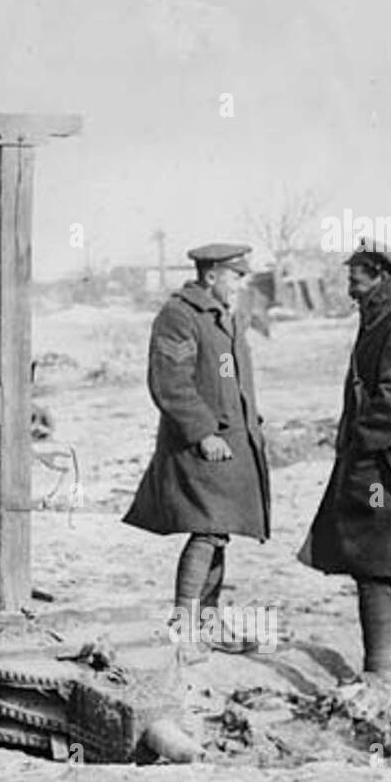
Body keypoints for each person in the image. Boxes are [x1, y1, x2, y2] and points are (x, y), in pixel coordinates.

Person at [298, 245, 391, 695]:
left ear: (382, 277)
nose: (350, 285)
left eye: (358, 277)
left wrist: (361, 441)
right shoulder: (384, 320)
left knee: (376, 563)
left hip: (389, 468)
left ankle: (383, 671)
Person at [123, 243, 271, 660]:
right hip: (200, 445)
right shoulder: (179, 315)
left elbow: (231, 378)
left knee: (219, 532)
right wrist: (204, 432)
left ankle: (207, 623)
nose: (242, 284)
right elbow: (170, 382)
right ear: (211, 276)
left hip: (233, 442)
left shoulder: (226, 315)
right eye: (235, 276)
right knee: (207, 530)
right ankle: (185, 627)